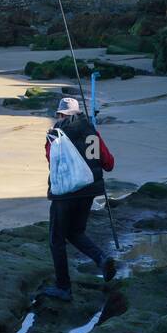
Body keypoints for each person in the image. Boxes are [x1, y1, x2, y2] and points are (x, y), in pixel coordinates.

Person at [39, 96, 117, 301]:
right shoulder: (92, 133)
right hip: (89, 192)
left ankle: (63, 288)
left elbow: (51, 161)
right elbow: (108, 163)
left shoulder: (55, 135)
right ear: (78, 113)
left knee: (57, 239)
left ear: (60, 114)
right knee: (75, 232)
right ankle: (101, 259)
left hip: (65, 193)